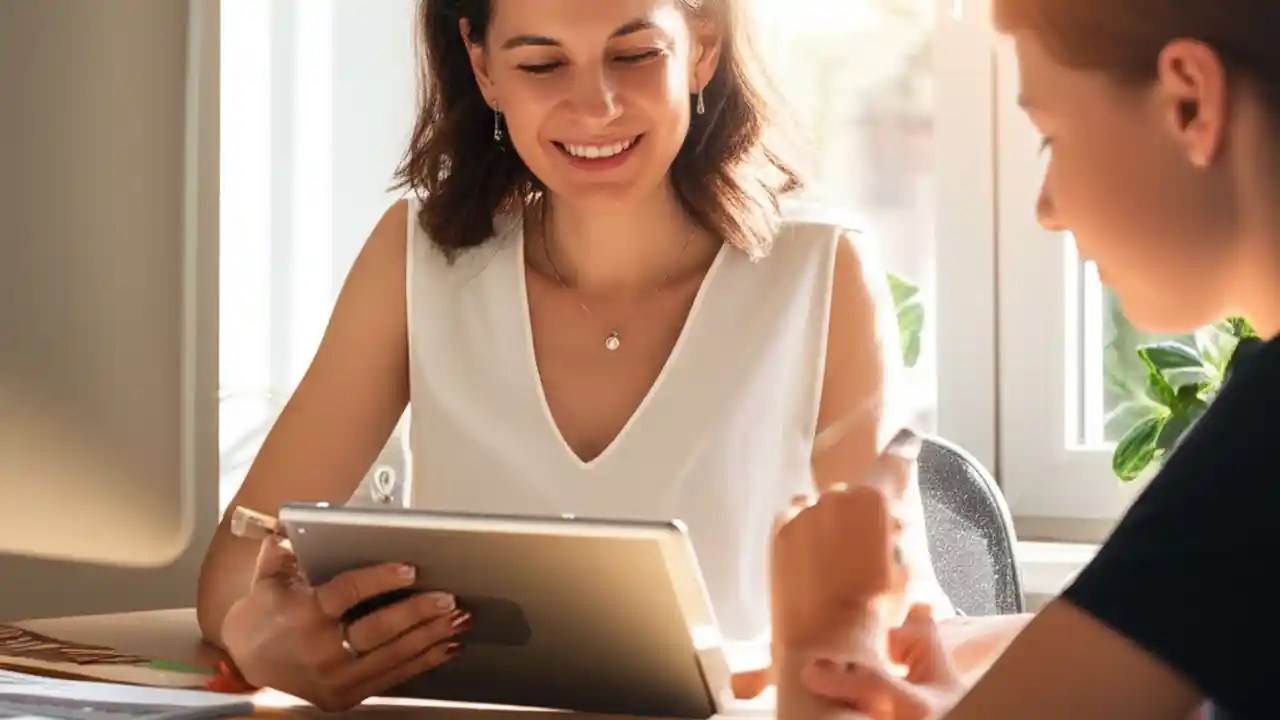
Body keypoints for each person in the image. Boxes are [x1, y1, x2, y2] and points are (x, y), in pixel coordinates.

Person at [195, 0, 981, 711]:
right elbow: (237, 568)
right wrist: (255, 637)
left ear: (702, 46)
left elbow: (887, 610)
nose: (595, 105)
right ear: (484, 69)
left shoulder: (821, 270)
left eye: (634, 54)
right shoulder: (416, 260)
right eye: (541, 64)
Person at [800, 1, 1280, 718]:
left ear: (1190, 102)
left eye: (1048, 138)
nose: (1046, 209)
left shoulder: (1262, 441)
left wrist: (833, 618)